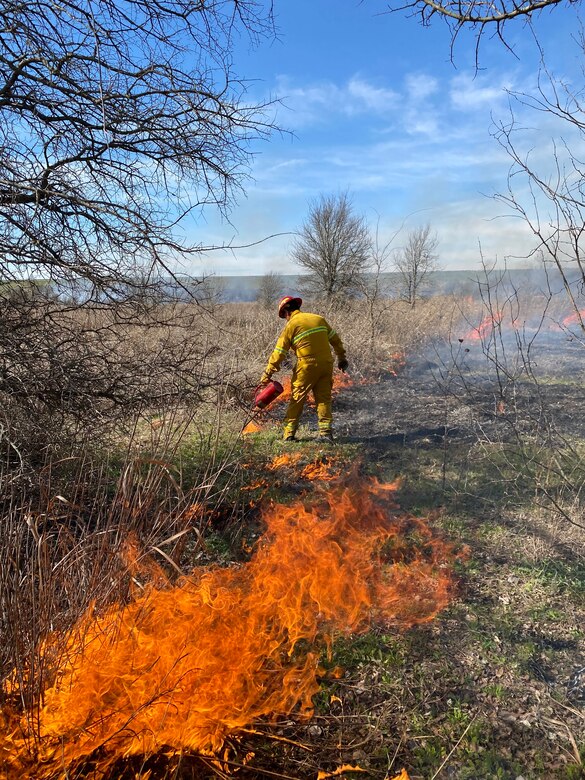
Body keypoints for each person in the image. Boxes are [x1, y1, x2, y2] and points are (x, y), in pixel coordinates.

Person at [259, 295, 348, 442]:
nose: (285, 319)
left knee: (297, 398)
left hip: (307, 366)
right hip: (326, 364)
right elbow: (336, 340)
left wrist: (267, 374)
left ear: (286, 312)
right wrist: (342, 358)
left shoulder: (291, 325)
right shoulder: (318, 318)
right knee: (324, 399)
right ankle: (326, 434)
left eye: (284, 316)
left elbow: (279, 353)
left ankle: (288, 435)